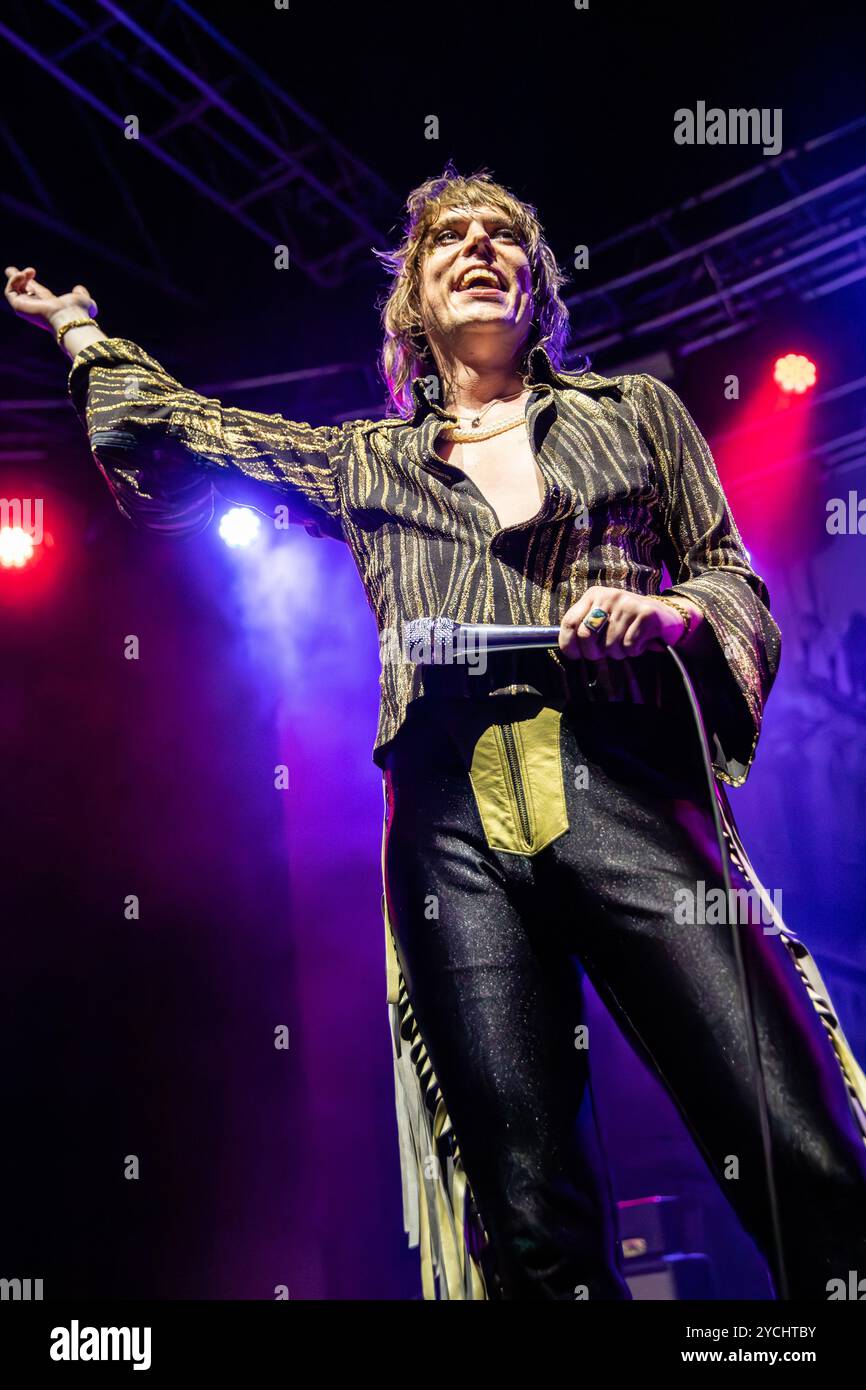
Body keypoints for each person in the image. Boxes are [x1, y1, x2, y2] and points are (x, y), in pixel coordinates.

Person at [7, 167, 866, 1302]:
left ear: (537, 286)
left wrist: (672, 614)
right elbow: (192, 433)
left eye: (502, 234)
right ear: (410, 300)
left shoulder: (634, 414)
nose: (474, 246)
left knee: (792, 1135)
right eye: (446, 238)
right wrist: (79, 331)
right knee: (523, 1210)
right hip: (448, 818)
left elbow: (732, 584)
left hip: (616, 776)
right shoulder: (368, 461)